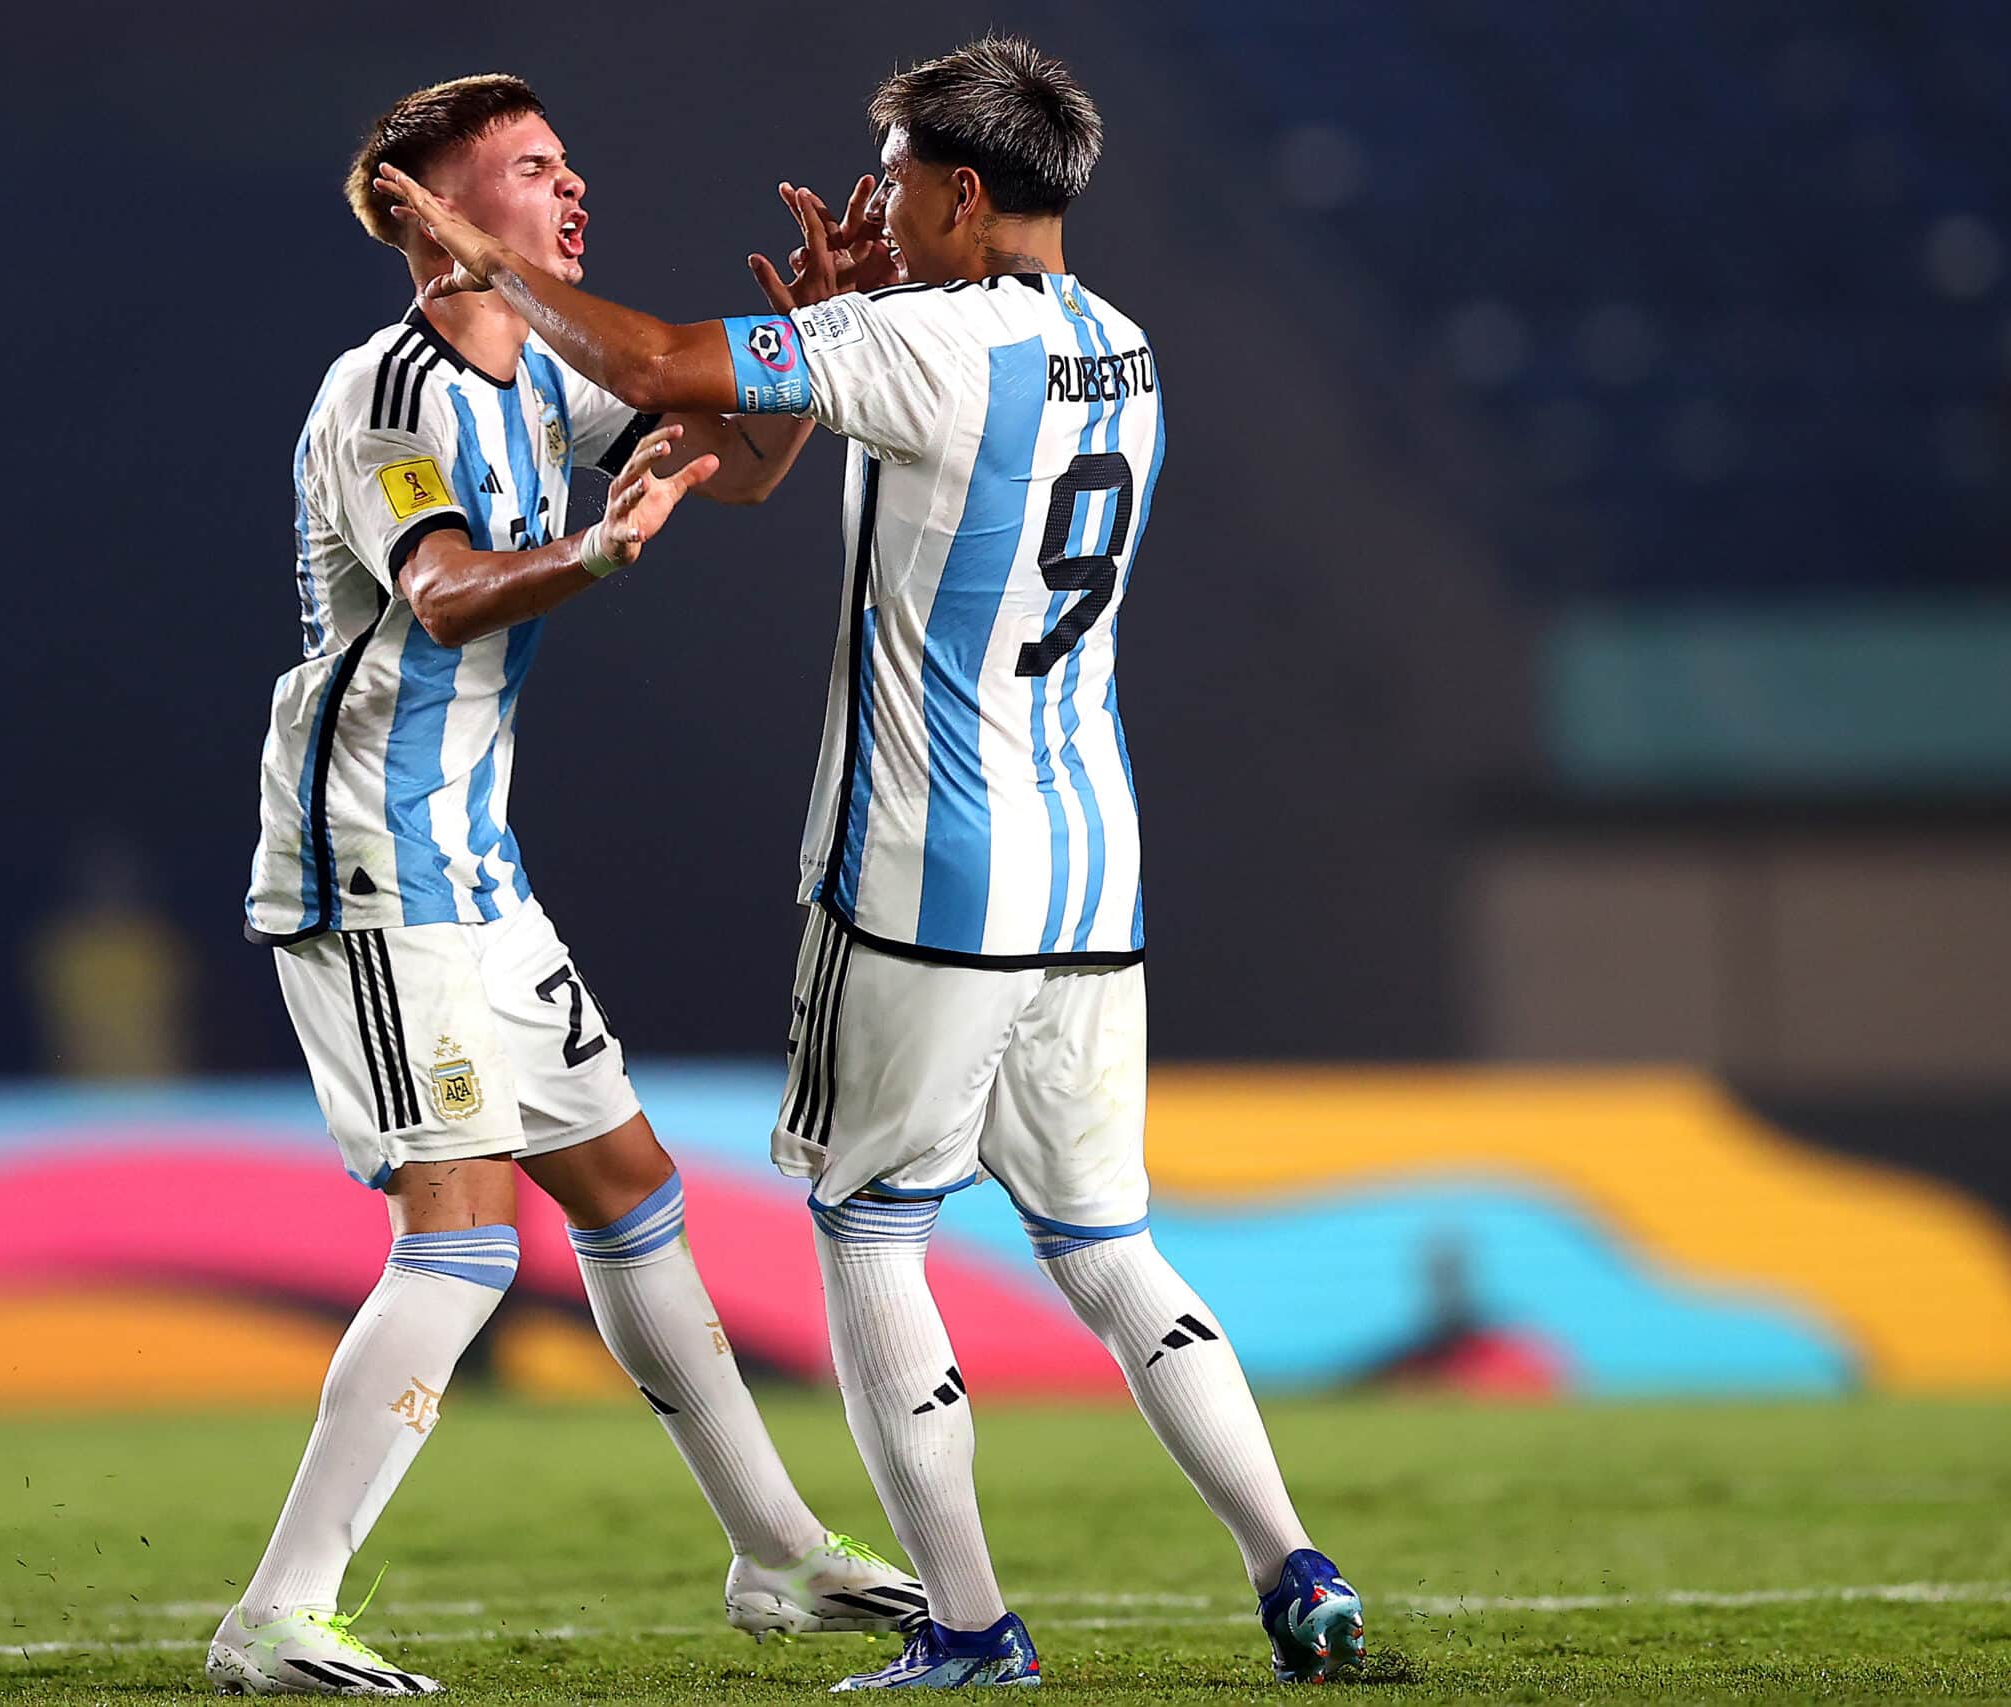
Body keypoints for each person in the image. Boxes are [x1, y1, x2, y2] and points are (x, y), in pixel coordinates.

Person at [378, 36, 1366, 1691]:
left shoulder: (919, 338)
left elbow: (664, 359)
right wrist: (832, 331)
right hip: (1091, 876)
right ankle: (1297, 1564)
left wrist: (494, 265)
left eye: (901, 178)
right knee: (1108, 1244)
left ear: (963, 192)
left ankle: (972, 1630)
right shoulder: (1121, 348)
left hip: (927, 873)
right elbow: (783, 417)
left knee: (868, 1225)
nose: (881, 205)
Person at [214, 74, 922, 1698]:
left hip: (477, 867)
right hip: (374, 866)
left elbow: (734, 469)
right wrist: (597, 557)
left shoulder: (536, 371)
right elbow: (450, 592)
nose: (573, 185)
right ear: (427, 206)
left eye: (568, 161)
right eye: (532, 169)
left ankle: (776, 1551)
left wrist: (810, 352)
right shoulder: (381, 398)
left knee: (629, 1190)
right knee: (460, 1245)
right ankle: (279, 1612)